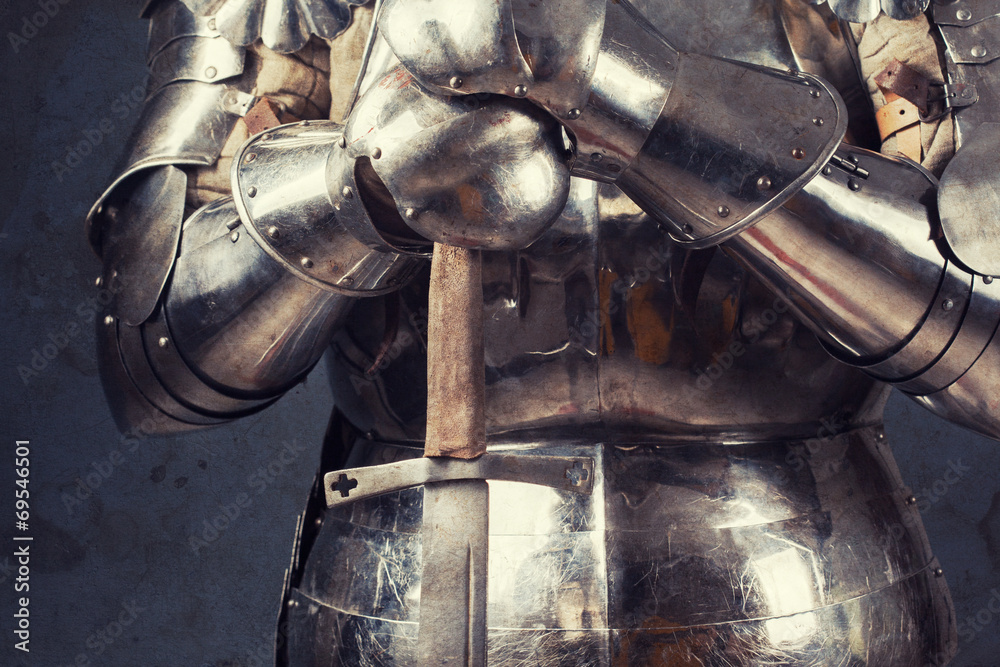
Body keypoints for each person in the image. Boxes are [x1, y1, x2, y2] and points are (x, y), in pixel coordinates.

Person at [87, 0, 1000, 663]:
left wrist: (638, 97)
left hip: (801, 604)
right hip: (421, 607)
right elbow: (150, 355)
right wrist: (362, 193)